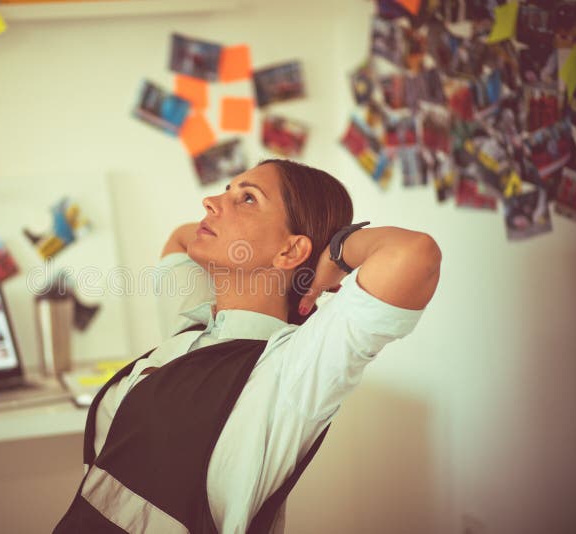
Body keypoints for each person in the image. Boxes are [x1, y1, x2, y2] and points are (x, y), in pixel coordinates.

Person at [54, 159, 442, 533]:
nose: (210, 201)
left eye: (248, 198)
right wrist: (234, 222)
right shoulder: (193, 322)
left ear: (290, 251)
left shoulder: (290, 370)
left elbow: (414, 255)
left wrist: (336, 252)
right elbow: (179, 238)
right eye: (227, 191)